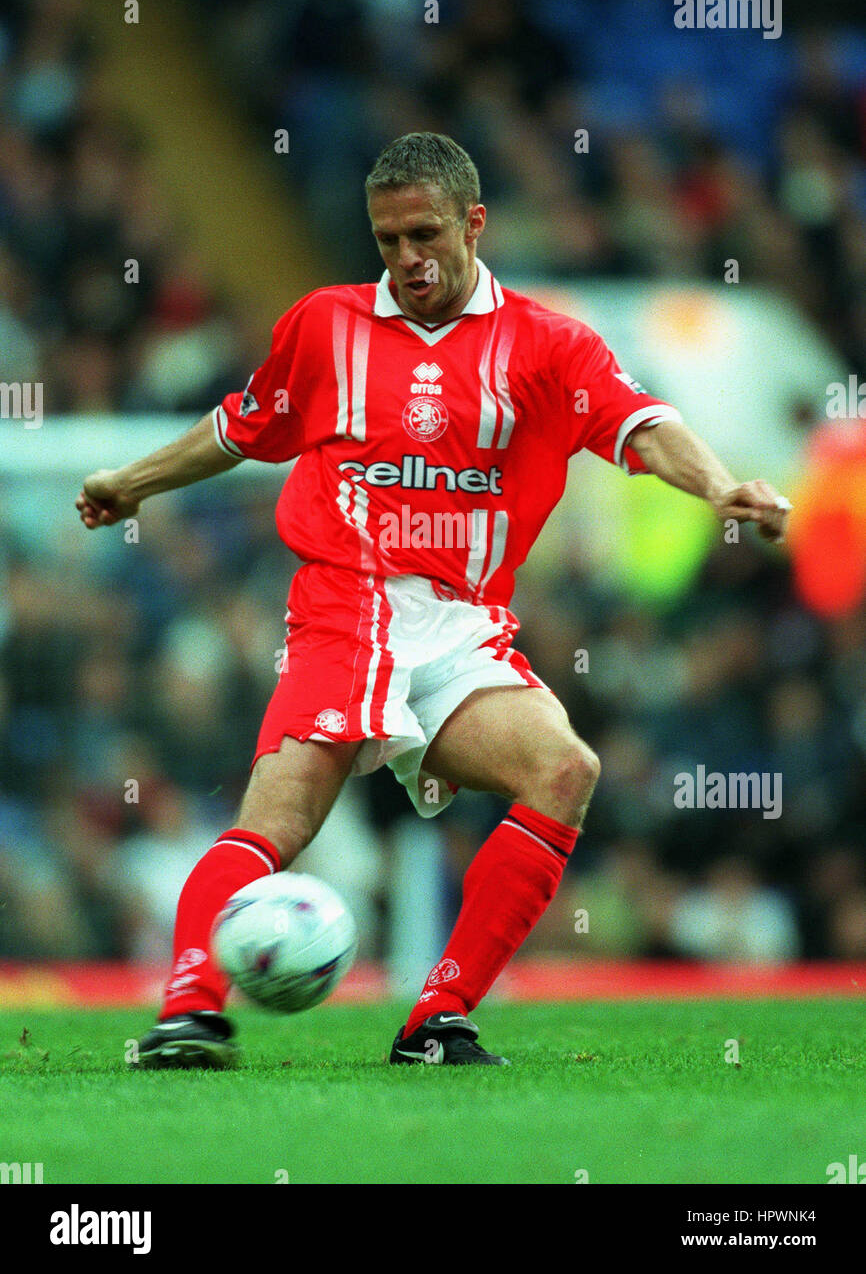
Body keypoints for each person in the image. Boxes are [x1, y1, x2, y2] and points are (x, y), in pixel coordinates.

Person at [76, 133, 791, 1067]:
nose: (408, 260)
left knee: (565, 771)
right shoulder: (324, 325)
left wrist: (719, 485)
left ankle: (435, 1022)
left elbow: (643, 424)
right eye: (387, 241)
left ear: (474, 223)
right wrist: (131, 482)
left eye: (425, 234)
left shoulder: (547, 344)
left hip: (462, 629)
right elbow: (242, 427)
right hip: (347, 603)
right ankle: (188, 1015)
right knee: (278, 824)